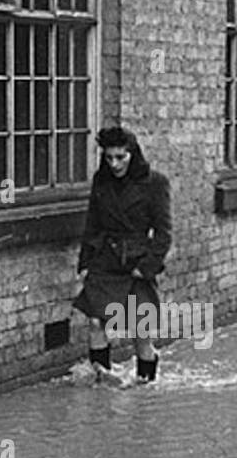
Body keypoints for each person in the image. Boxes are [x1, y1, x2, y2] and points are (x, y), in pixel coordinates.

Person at [73, 127, 172, 384]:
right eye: (108, 158)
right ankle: (102, 381)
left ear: (132, 154)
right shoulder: (101, 181)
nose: (114, 164)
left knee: (140, 330)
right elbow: (92, 224)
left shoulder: (155, 183)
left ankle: (145, 384)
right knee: (96, 322)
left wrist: (147, 267)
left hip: (136, 263)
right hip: (105, 259)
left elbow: (164, 233)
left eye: (120, 157)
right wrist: (84, 263)